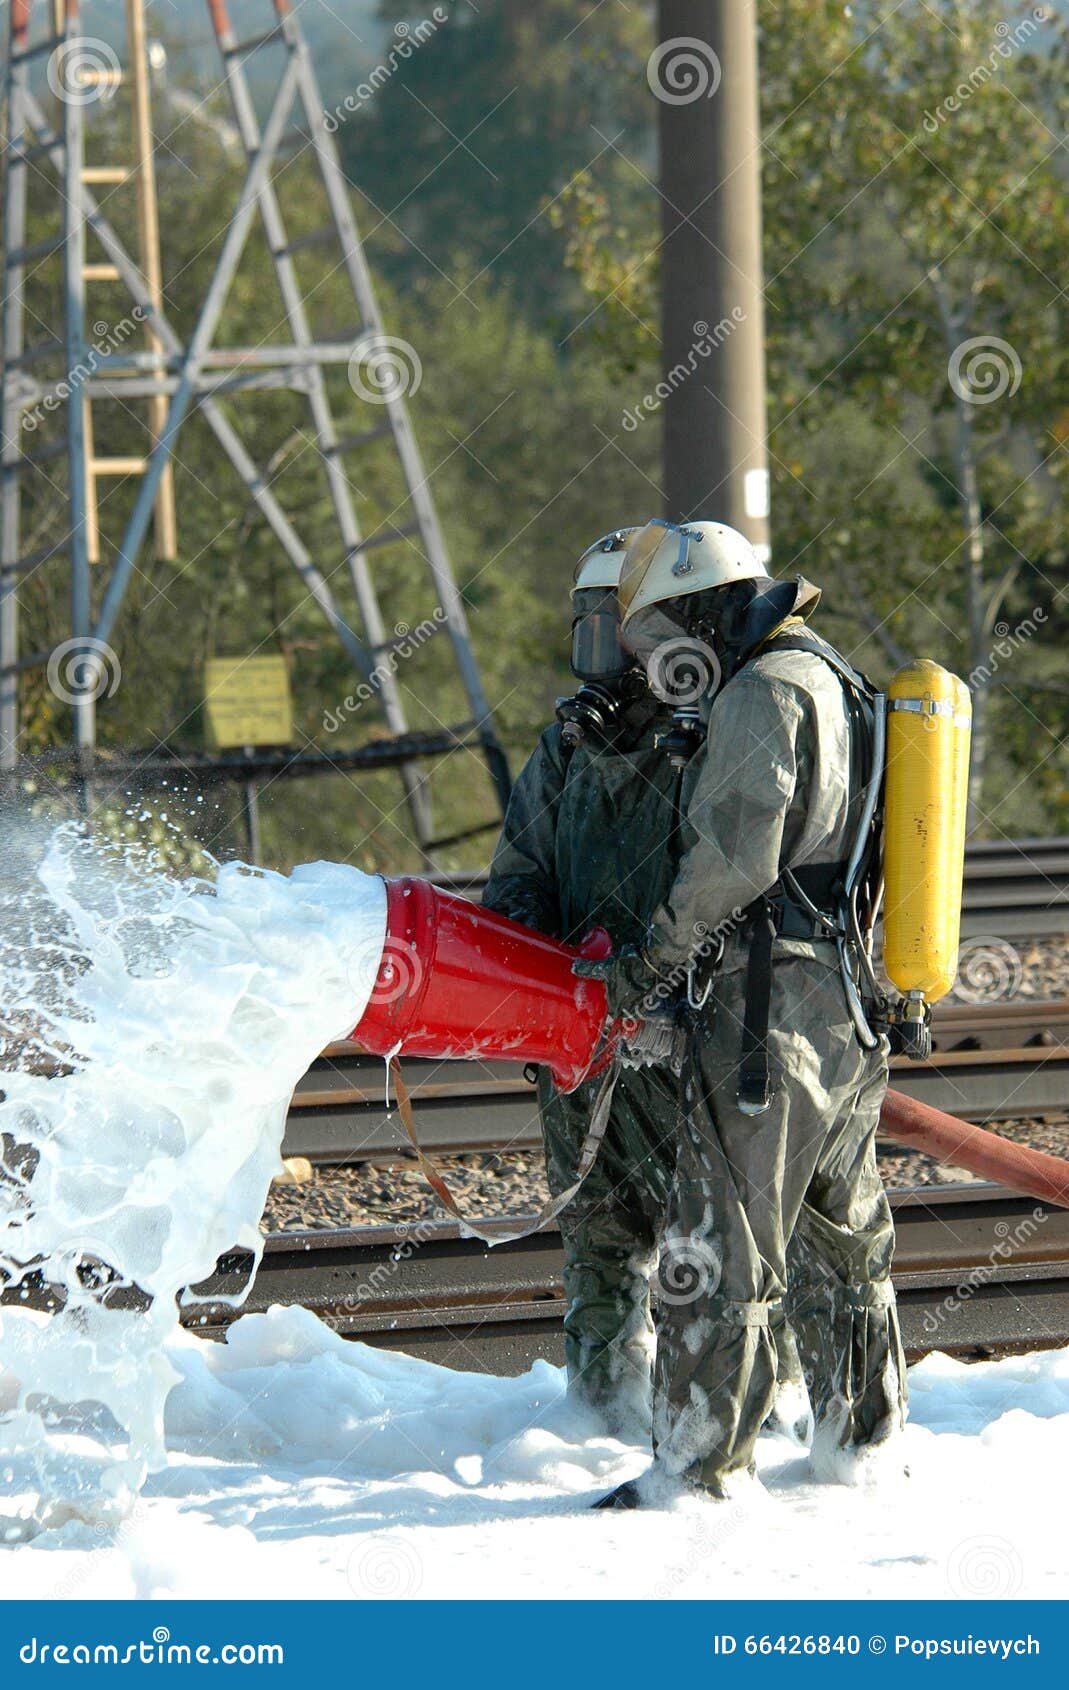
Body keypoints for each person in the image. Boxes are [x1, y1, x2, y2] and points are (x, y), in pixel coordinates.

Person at [576, 518, 907, 1501]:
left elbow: (731, 857)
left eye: (657, 637)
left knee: (718, 1241)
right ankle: (863, 1445)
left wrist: (645, 969)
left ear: (697, 610)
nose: (653, 664)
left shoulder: (762, 692)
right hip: (843, 993)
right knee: (843, 1239)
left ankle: (696, 1468)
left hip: (767, 1005)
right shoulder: (833, 675)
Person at [483, 531, 681, 1438]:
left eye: (619, 628)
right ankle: (600, 1418)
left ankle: (731, 1418)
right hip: (581, 1039)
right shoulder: (566, 745)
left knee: (716, 1240)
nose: (606, 655)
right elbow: (518, 876)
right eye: (592, 628)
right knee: (598, 1236)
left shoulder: (720, 736)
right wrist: (536, 992)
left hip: (684, 1035)